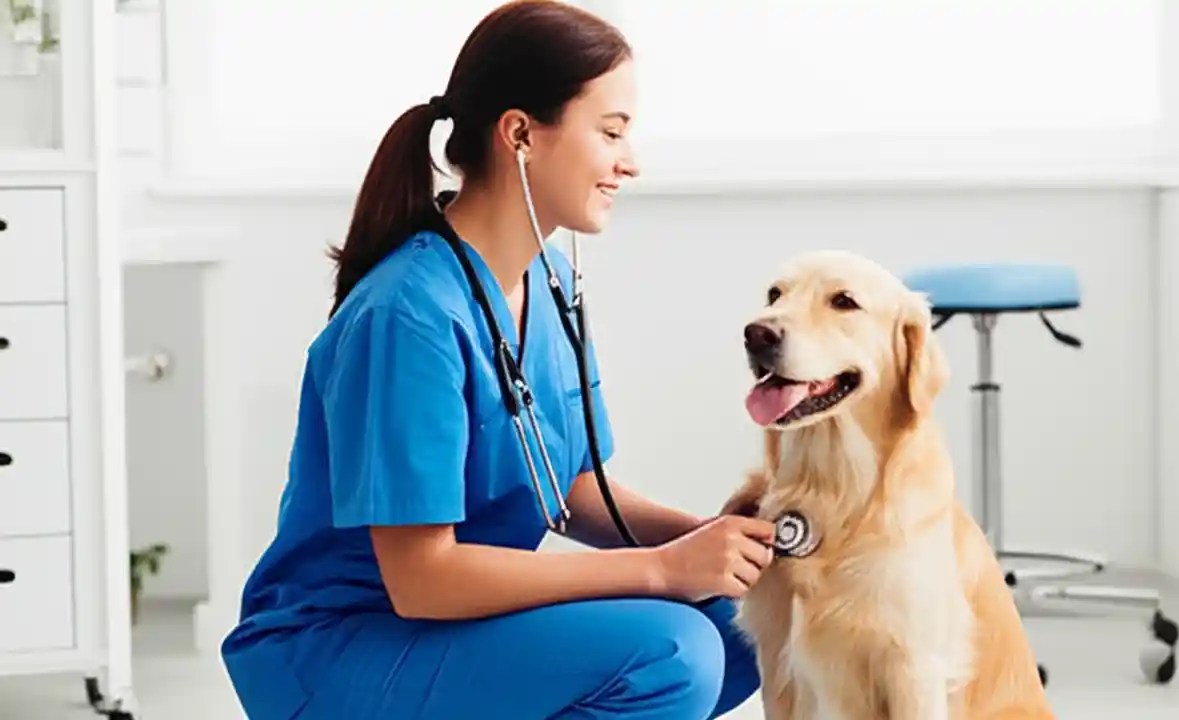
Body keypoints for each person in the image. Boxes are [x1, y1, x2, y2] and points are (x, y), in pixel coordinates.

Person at [219, 2, 778, 718]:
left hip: (441, 628)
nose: (630, 162)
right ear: (520, 134)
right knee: (672, 650)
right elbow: (423, 579)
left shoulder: (545, 285)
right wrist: (660, 571)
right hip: (342, 647)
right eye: (611, 132)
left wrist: (713, 542)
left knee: (738, 628)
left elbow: (571, 490)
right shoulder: (407, 316)